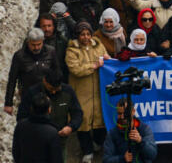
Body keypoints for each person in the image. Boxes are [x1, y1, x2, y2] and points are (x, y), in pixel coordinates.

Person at [67, 23, 109, 161]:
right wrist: (94, 65)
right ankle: (87, 151)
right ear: (77, 36)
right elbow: (76, 69)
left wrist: (108, 60)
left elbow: (106, 58)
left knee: (99, 121)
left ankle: (98, 144)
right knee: (83, 122)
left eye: (88, 34)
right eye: (82, 34)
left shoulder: (99, 46)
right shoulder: (72, 50)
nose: (85, 37)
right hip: (81, 93)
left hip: (98, 92)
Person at [6, 29, 58, 115]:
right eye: (33, 45)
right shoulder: (19, 56)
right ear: (28, 42)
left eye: (39, 44)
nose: (36, 48)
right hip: (28, 97)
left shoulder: (51, 52)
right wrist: (8, 103)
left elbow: (57, 73)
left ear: (43, 41)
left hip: (47, 97)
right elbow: (12, 80)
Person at [15, 94, 68, 163]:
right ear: (49, 110)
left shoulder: (21, 125)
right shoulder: (52, 132)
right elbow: (56, 158)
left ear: (31, 108)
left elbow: (16, 151)